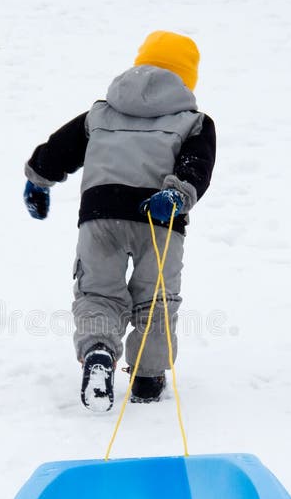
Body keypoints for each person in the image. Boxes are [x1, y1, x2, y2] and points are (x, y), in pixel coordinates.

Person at [23, 30, 216, 412]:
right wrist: (177, 194)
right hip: (160, 218)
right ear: (187, 78)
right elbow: (198, 166)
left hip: (100, 215)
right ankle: (147, 378)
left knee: (99, 294)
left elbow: (60, 149)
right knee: (156, 299)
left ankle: (98, 352)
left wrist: (38, 180)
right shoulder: (194, 122)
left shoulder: (100, 112)